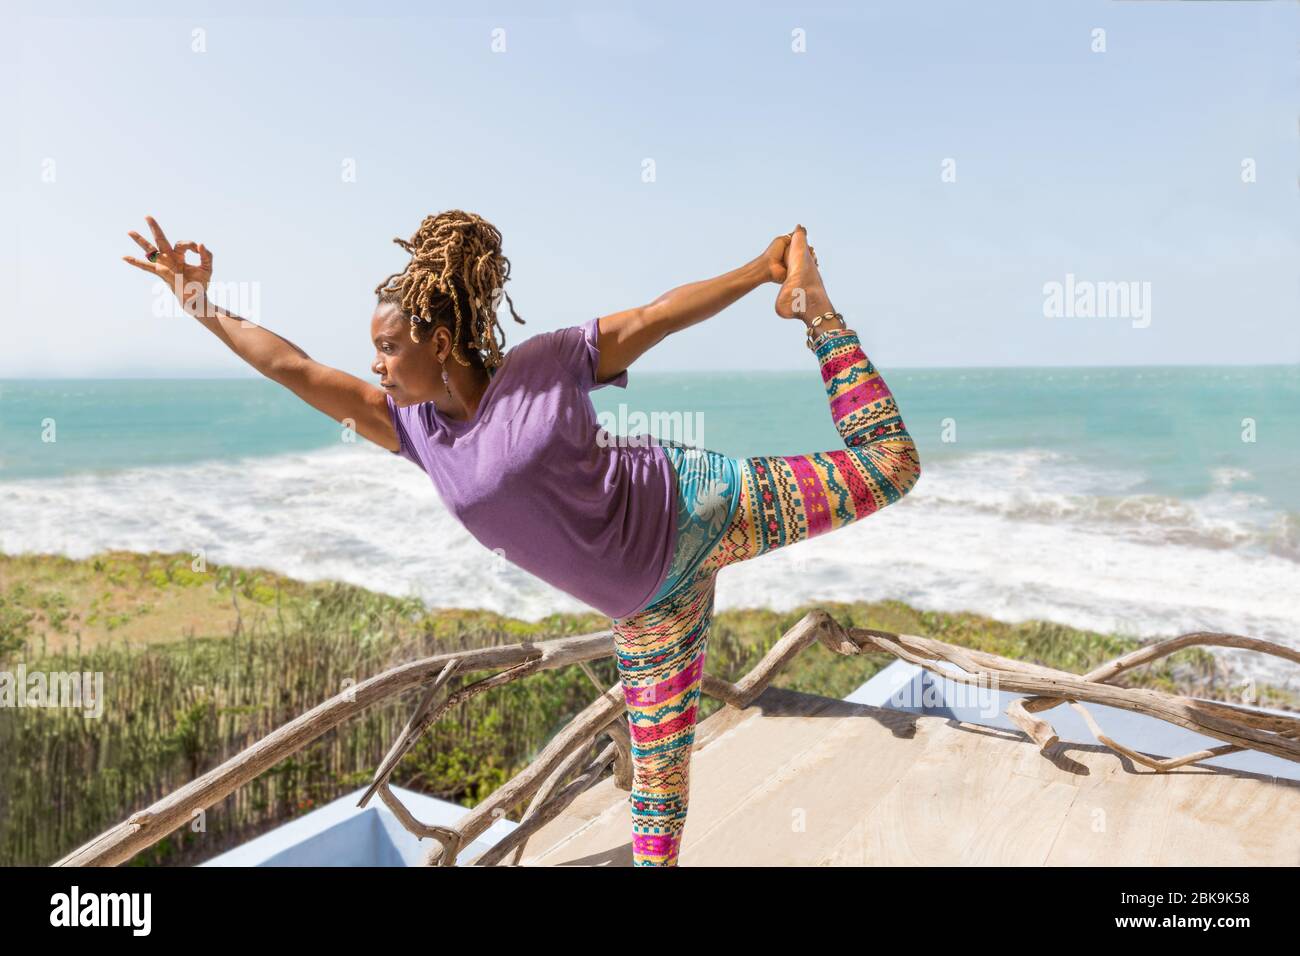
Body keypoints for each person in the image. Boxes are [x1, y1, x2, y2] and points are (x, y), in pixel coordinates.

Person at [122, 211, 921, 867]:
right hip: (649, 615)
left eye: (390, 346)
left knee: (890, 467)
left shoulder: (543, 363)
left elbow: (652, 318)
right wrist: (198, 303)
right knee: (657, 822)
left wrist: (761, 273)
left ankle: (817, 310)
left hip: (698, 506)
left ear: (440, 342)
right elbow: (292, 368)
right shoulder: (411, 430)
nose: (378, 364)